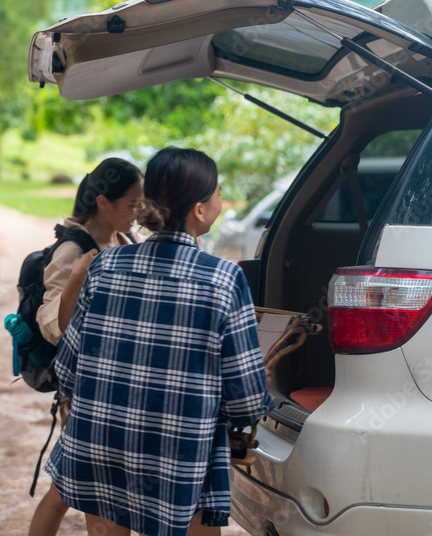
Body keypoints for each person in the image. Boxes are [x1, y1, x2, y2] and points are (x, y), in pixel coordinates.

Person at [45, 147, 273, 536]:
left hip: (101, 446)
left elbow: (67, 369)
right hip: (177, 460)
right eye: (218, 192)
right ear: (200, 210)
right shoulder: (223, 279)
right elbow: (245, 399)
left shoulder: (106, 265)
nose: (221, 200)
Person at [28, 157, 143, 536]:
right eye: (132, 204)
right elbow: (52, 326)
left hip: (115, 389)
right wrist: (77, 280)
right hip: (82, 393)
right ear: (103, 202)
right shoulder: (72, 251)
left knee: (65, 490)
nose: (138, 213)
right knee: (101, 498)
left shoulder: (125, 240)